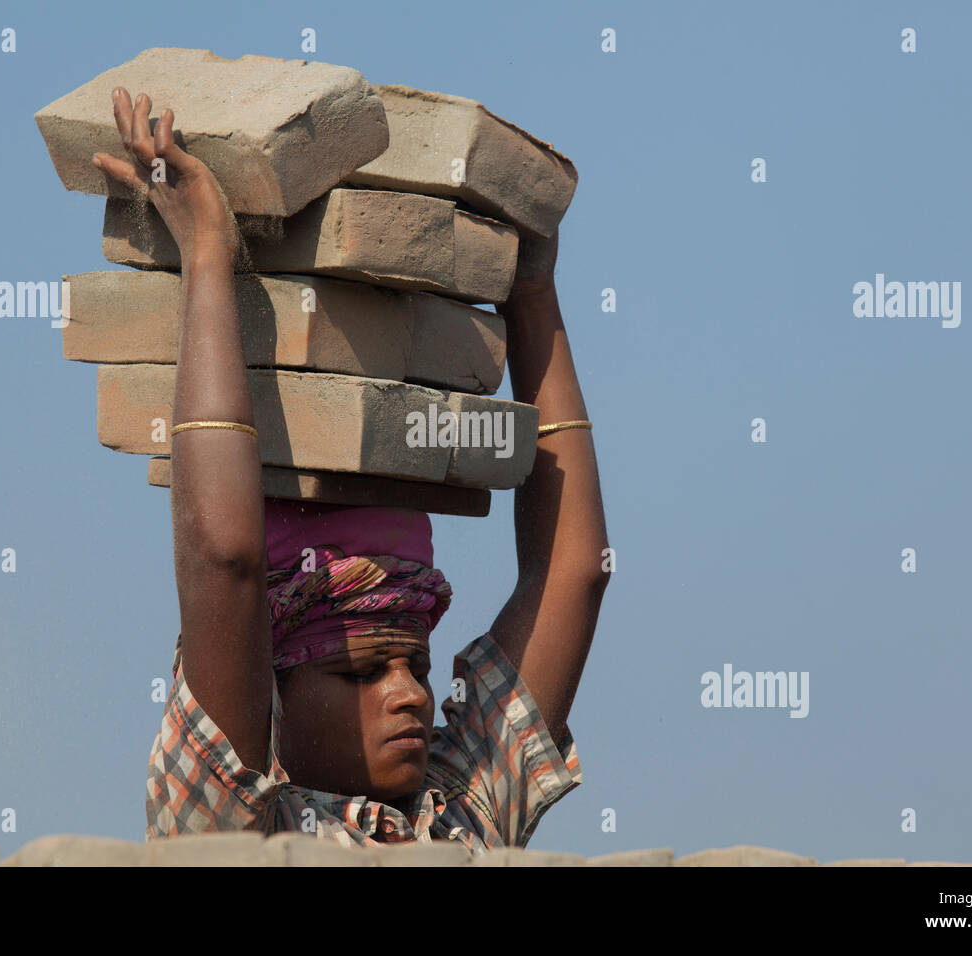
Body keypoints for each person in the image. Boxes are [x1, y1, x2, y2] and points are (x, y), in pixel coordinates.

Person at [92, 87, 610, 855]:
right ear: (271, 689)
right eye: (363, 674)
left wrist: (530, 291)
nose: (411, 698)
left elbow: (577, 571)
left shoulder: (457, 821)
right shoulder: (231, 829)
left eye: (417, 666)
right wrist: (207, 255)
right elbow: (227, 561)